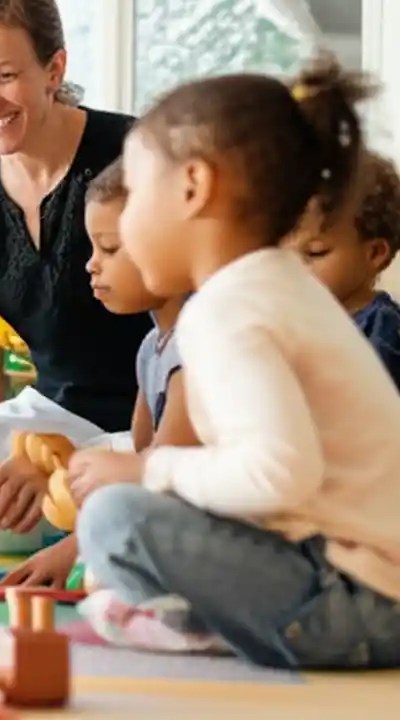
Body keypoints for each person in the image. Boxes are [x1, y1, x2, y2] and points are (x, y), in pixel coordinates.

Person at [72, 56, 400, 669]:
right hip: (360, 583)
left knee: (116, 517)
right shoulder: (273, 288)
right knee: (128, 518)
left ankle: (205, 627)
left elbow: (279, 476)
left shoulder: (231, 308)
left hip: (361, 601)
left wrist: (149, 471)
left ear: (193, 187)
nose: (131, 216)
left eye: (139, 191)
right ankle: (201, 621)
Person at [0, 0, 151, 554]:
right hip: (52, 412)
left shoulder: (135, 155)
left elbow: (192, 319)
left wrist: (61, 464)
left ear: (54, 71)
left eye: (5, 76)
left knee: (76, 501)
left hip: (154, 421)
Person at [1, 157, 195, 587]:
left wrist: (70, 550)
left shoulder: (194, 350)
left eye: (109, 248)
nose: (91, 264)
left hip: (205, 519)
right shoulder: (152, 348)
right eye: (93, 248)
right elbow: (141, 455)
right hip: (166, 507)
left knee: (104, 564)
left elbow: (157, 477)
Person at [286, 150, 400, 388]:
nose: (293, 267)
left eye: (314, 253)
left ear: (375, 253)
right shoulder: (295, 316)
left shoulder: (383, 330)